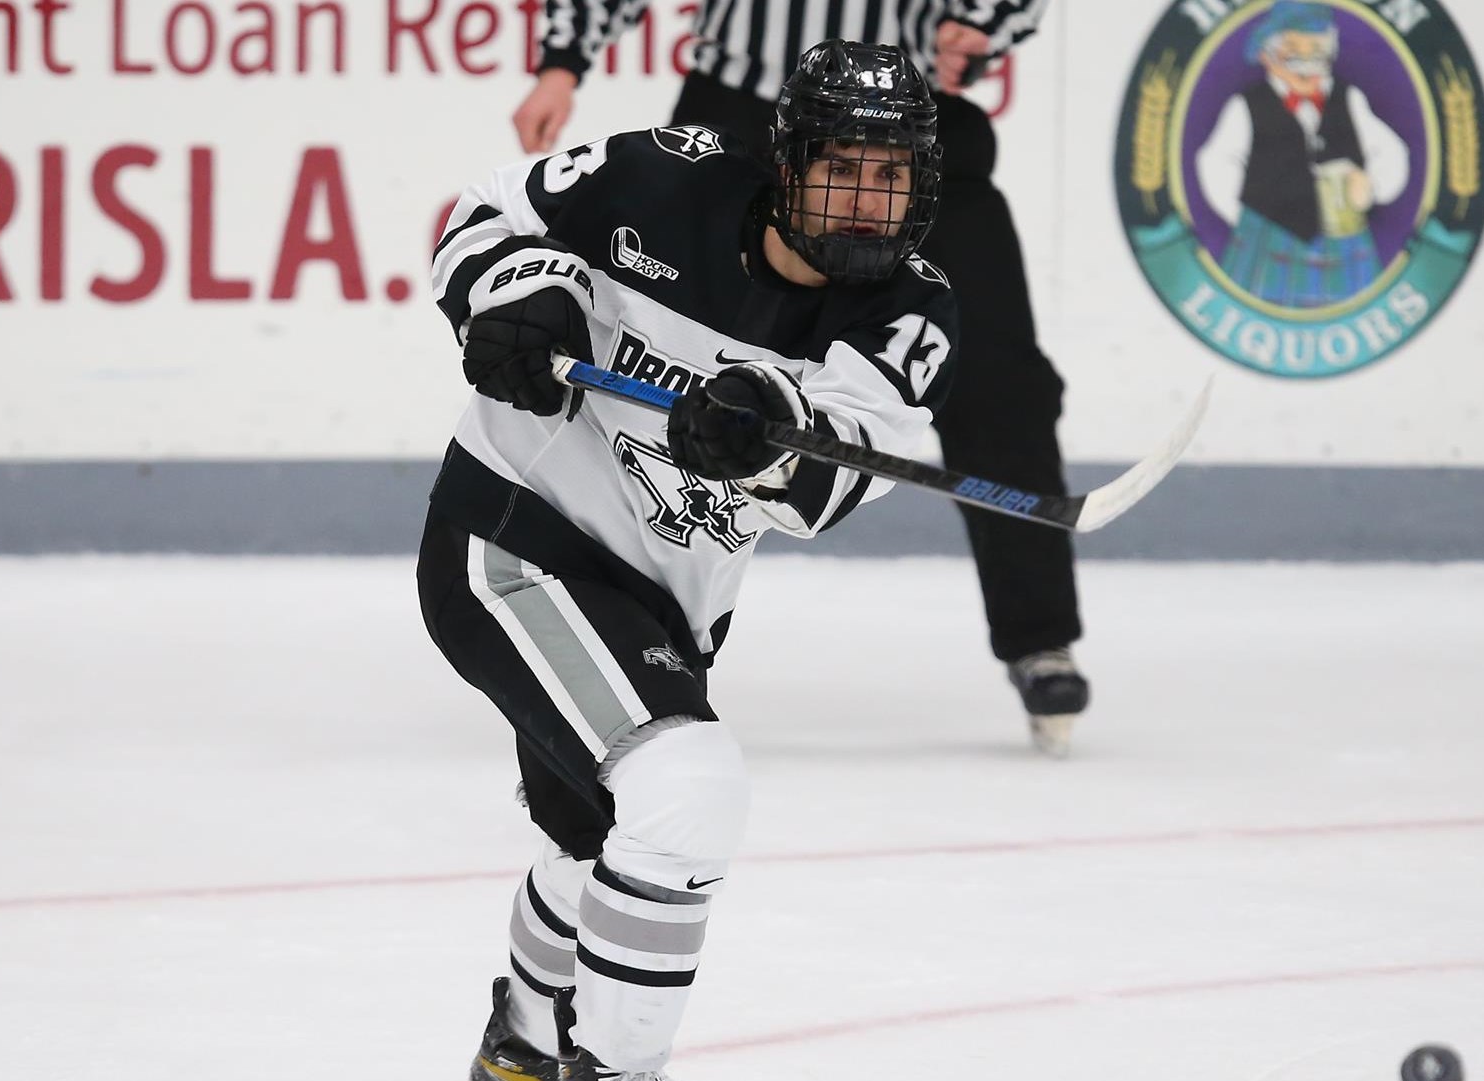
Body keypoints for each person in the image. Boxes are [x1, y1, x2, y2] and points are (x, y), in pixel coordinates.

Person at [421, 41, 954, 1081]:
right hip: (512, 537)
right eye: (844, 167)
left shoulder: (911, 308)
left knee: (596, 845)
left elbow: (847, 468)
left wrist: (772, 430)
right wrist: (515, 289)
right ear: (789, 161)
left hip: (667, 604)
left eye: (890, 178)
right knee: (686, 791)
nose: (865, 202)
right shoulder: (663, 175)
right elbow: (478, 216)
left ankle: (521, 1050)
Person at [512, 0, 1090, 756]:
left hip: (900, 139)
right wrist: (564, 60)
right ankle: (619, 628)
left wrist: (980, 26)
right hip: (746, 120)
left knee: (997, 380)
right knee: (671, 357)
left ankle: (1038, 637)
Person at [1194, 0, 1410, 306]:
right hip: (1269, 247)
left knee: (1350, 308)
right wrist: (1250, 219)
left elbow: (1390, 151)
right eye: (1294, 52)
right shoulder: (1247, 105)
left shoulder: (1348, 97)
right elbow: (1216, 161)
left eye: (1318, 51)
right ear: (1267, 57)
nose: (1307, 63)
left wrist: (1370, 186)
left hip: (1344, 245)